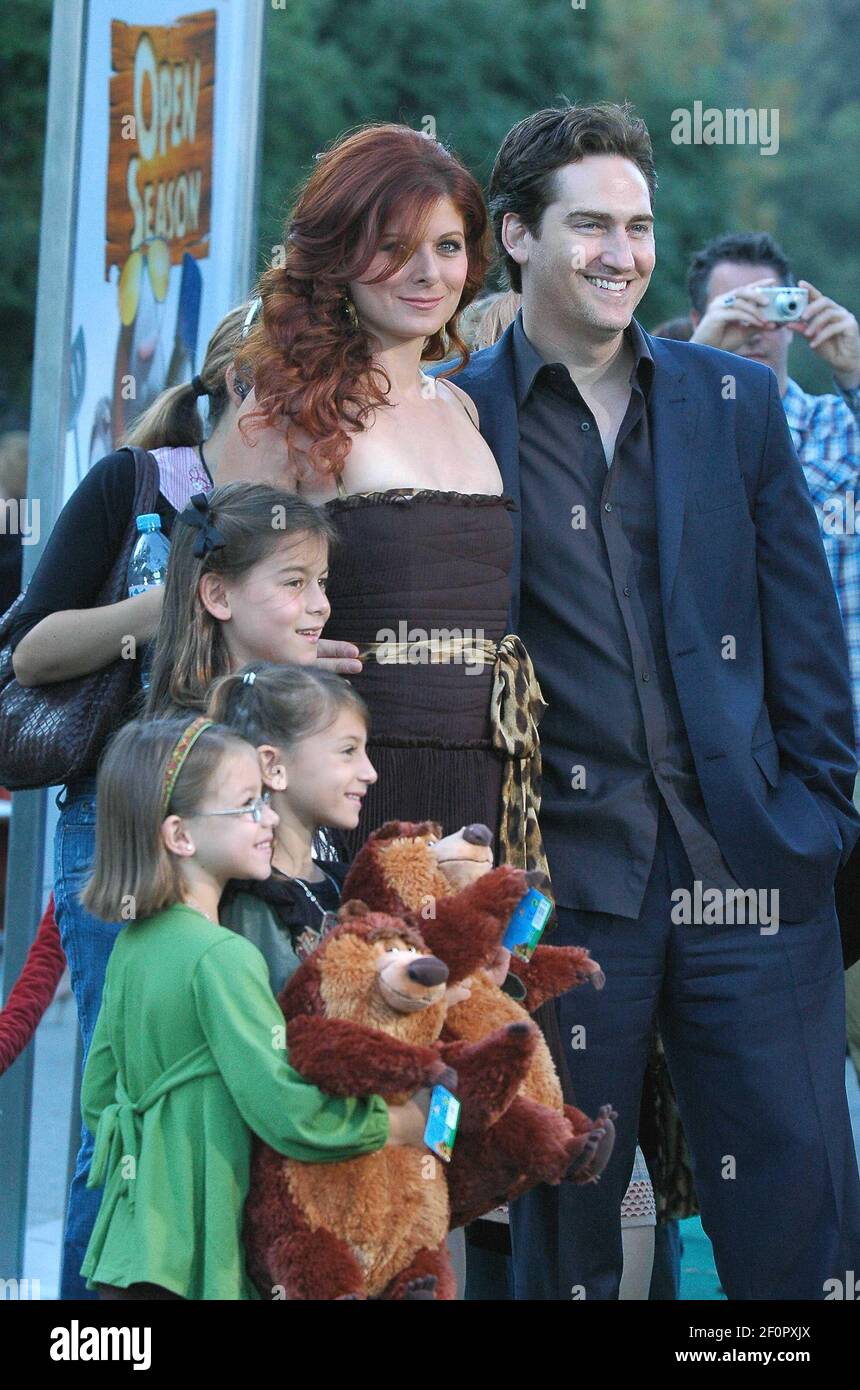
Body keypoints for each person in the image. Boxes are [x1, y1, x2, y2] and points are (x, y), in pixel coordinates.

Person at [441, 100, 860, 1300]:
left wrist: (815, 816)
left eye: (635, 224)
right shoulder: (458, 414)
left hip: (753, 862)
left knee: (799, 1213)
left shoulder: (733, 402)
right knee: (567, 1225)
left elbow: (804, 633)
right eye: (588, 225)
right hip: (569, 890)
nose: (619, 251)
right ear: (515, 237)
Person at [218, 123, 547, 879]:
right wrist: (272, 661)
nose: (427, 272)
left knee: (477, 993)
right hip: (347, 778)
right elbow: (203, 605)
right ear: (337, 257)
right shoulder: (284, 413)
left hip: (487, 775)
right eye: (394, 247)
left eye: (449, 246)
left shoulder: (466, 409)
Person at [8, 304, 254, 1300]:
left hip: (268, 839)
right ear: (233, 383)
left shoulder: (327, 499)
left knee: (239, 1113)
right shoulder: (144, 483)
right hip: (128, 829)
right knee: (132, 1117)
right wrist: (157, 611)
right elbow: (28, 652)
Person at [78, 715, 426, 1299]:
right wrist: (397, 1124)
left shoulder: (132, 947)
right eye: (247, 805)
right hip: (199, 1253)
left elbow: (98, 1097)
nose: (268, 817)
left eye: (264, 800)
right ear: (180, 836)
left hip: (132, 1241)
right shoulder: (223, 957)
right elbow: (285, 1108)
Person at [687, 231, 860, 753]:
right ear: (700, 321)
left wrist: (853, 368)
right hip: (724, 732)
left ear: (797, 317)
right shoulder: (678, 429)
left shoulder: (840, 423)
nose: (758, 326)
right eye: (738, 309)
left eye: (772, 306)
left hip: (841, 722)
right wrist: (692, 362)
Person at [209, 663, 377, 991]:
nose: (369, 772)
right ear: (272, 766)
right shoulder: (254, 902)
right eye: (348, 751)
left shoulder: (346, 881)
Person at [144, 482, 335, 718]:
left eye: (322, 582)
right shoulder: (205, 744)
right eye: (294, 582)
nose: (322, 606)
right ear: (219, 596)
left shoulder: (303, 709)